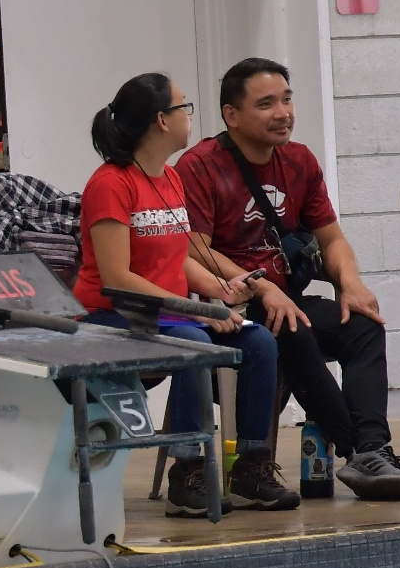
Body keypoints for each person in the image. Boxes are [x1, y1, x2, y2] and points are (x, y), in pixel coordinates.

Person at [177, 57, 400, 499]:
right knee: (291, 328)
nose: (283, 112)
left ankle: (373, 448)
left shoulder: (299, 160)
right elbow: (195, 251)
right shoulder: (201, 165)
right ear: (232, 115)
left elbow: (332, 239)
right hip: (232, 304)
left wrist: (350, 283)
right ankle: (362, 454)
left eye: (286, 99)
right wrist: (260, 285)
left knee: (362, 325)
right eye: (266, 103)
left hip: (287, 297)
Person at [74, 73, 296, 516]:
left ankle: (252, 466)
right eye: (183, 107)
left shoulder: (169, 178)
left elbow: (178, 259)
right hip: (113, 316)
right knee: (193, 345)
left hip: (169, 314)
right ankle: (189, 469)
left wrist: (219, 289)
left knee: (258, 342)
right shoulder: (111, 185)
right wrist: (194, 312)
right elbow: (117, 278)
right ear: (161, 120)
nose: (190, 117)